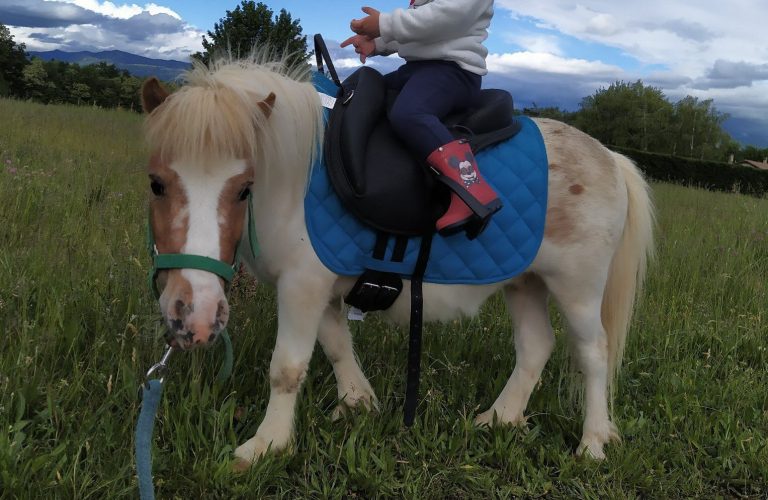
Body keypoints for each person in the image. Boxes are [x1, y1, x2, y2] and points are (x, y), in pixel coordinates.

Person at [341, 0, 501, 239]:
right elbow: (417, 30)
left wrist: (384, 24)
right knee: (370, 97)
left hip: (454, 70)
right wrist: (375, 42)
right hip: (419, 69)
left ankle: (471, 190)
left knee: (409, 113)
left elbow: (441, 18)